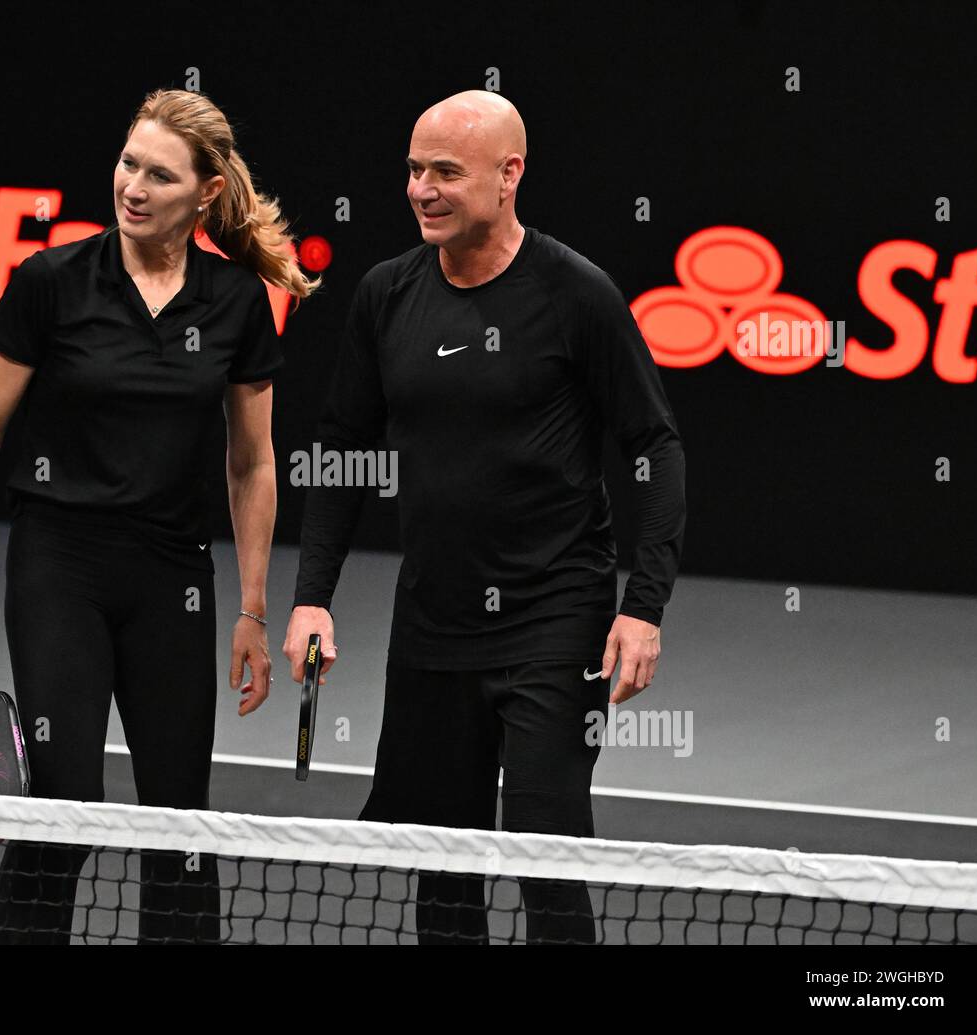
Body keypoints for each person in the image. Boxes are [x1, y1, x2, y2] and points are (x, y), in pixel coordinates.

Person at [283, 91, 686, 944]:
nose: (422, 189)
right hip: (433, 622)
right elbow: (341, 447)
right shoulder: (386, 295)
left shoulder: (577, 295)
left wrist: (643, 605)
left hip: (555, 616)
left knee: (547, 851)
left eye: (445, 173)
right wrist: (312, 595)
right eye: (413, 171)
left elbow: (654, 446)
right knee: (445, 868)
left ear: (510, 177)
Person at [0, 88, 319, 944]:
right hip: (58, 563)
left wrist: (253, 607)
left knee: (179, 824)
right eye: (127, 163)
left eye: (159, 174)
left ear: (205, 194)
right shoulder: (50, 282)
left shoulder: (234, 303)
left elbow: (253, 463)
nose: (134, 186)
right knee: (63, 807)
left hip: (173, 575)